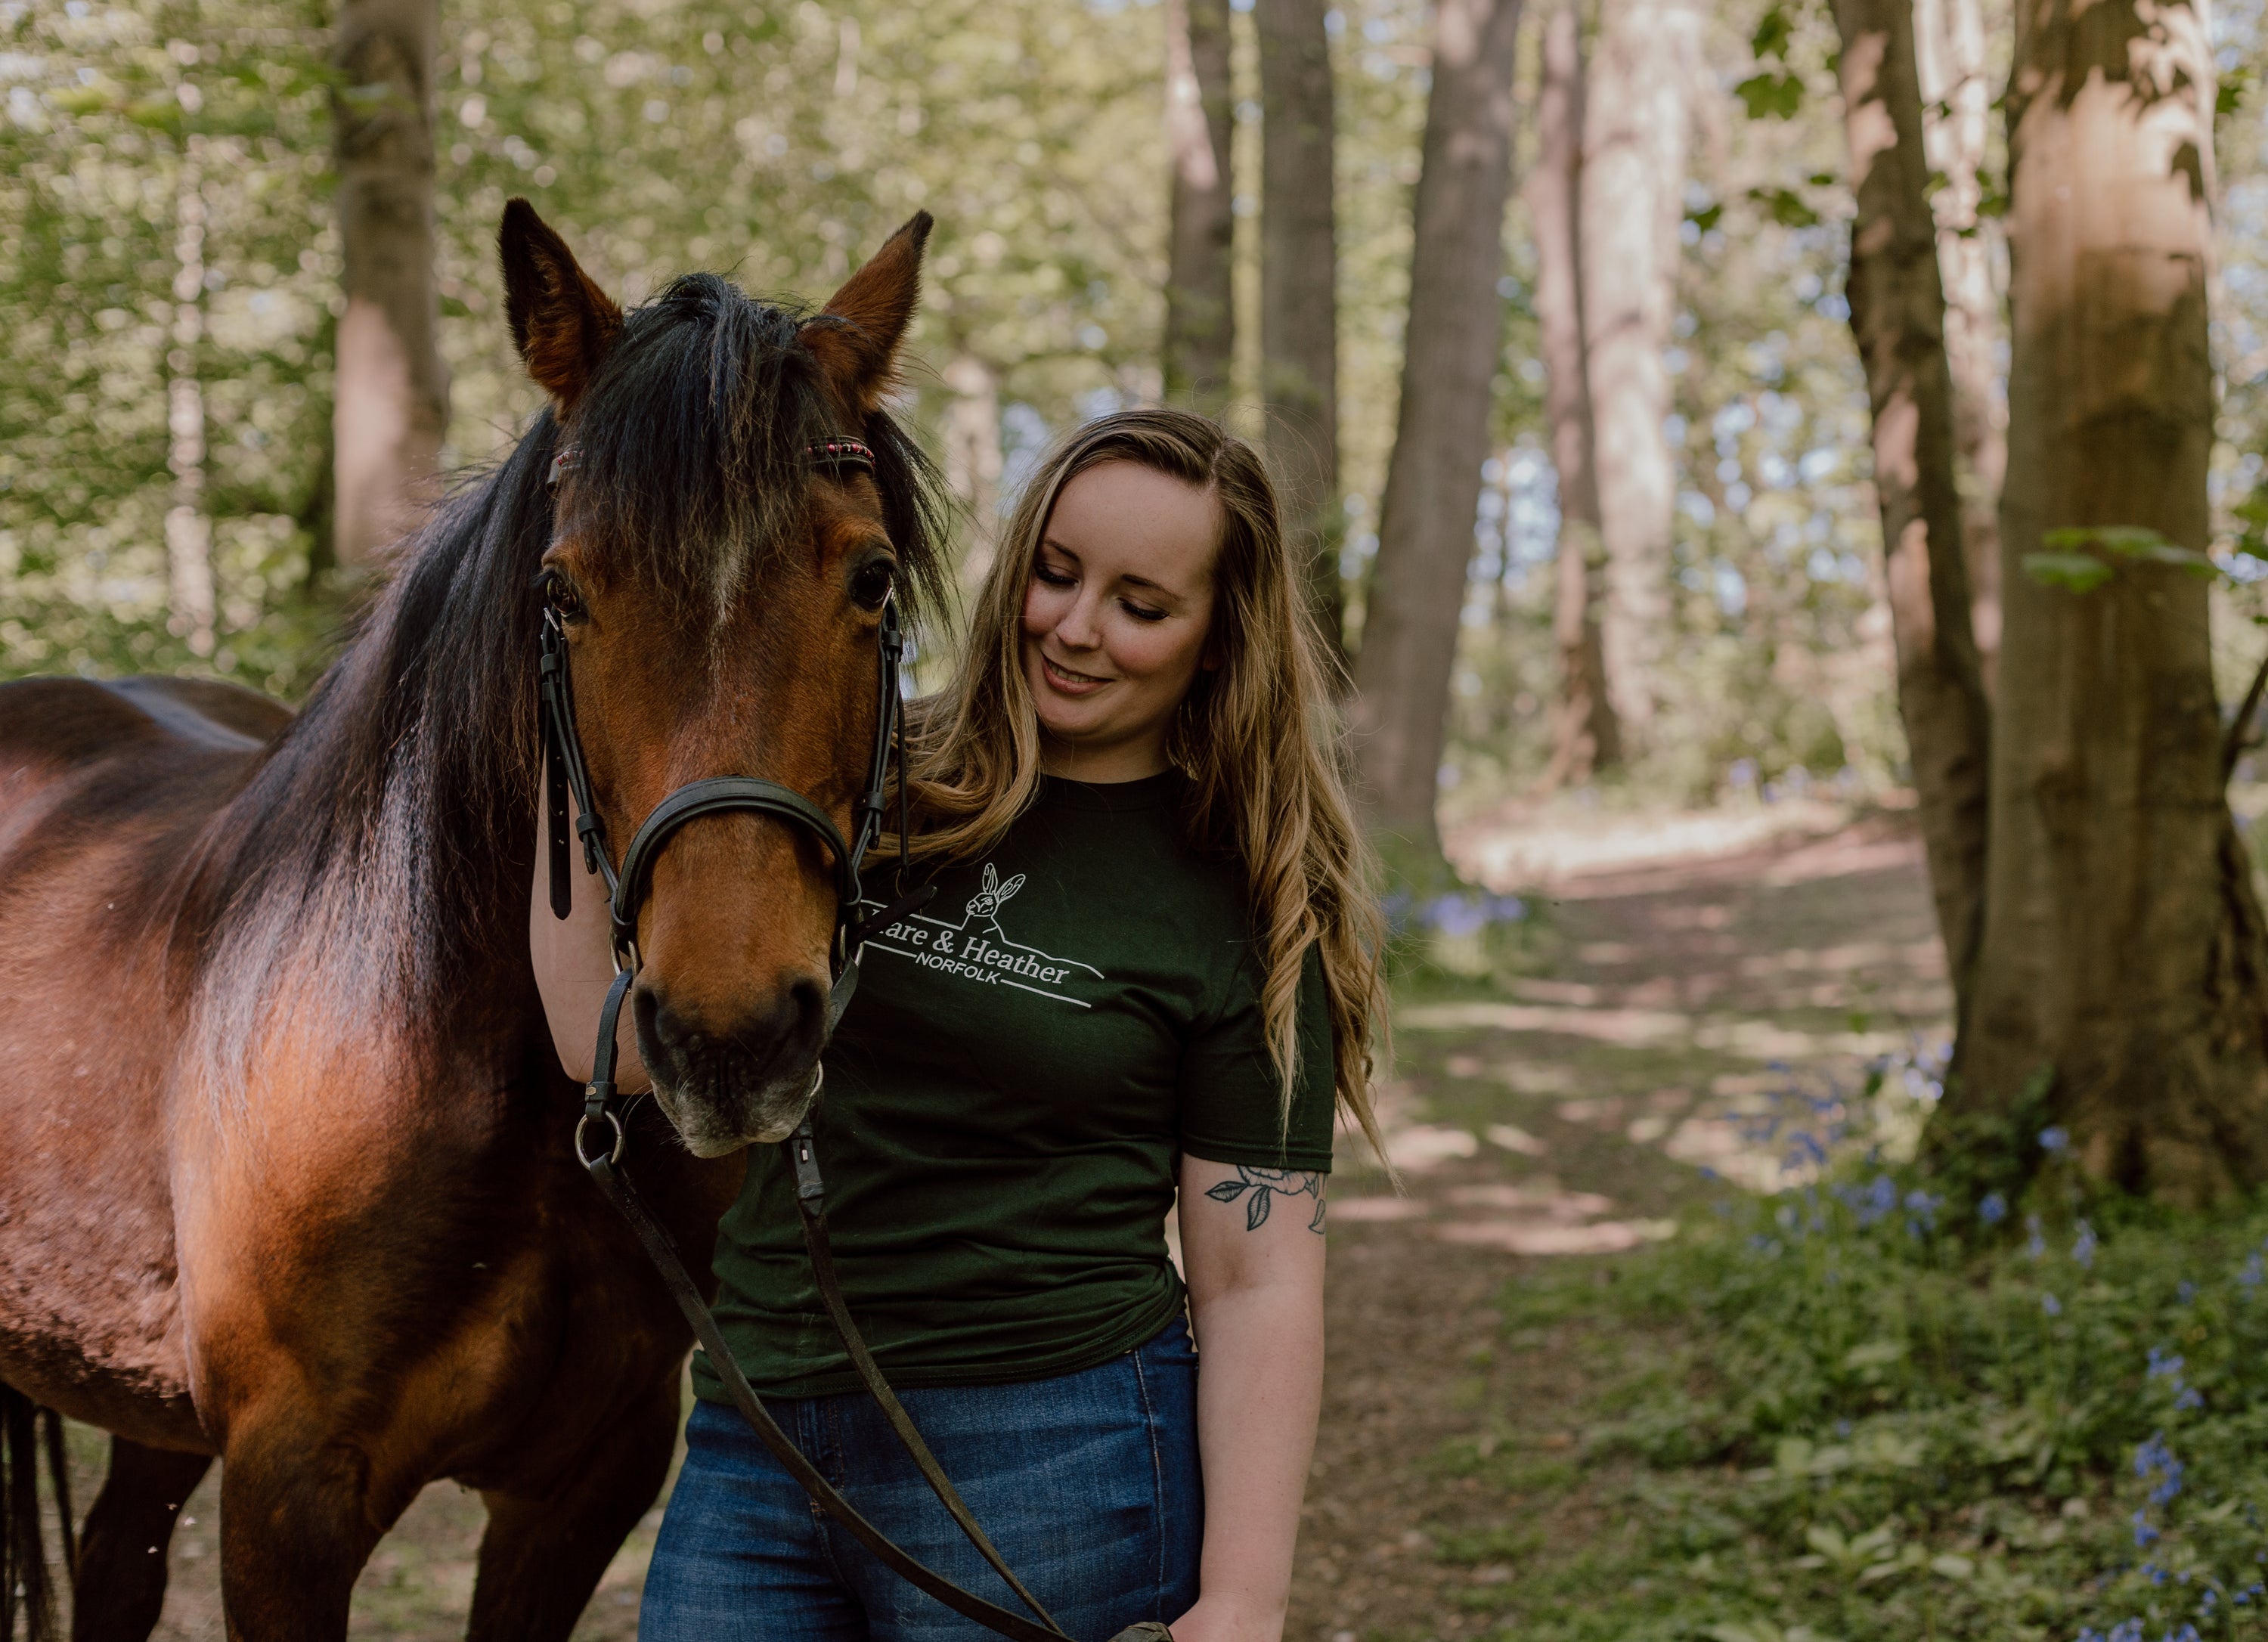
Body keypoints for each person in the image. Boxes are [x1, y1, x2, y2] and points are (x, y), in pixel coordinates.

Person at [541, 407, 1387, 1641]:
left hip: (1053, 1457)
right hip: (758, 1440)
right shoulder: (863, 783)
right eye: (1056, 572)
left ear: (1218, 639)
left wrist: (1246, 1595)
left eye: (1141, 605)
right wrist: (578, 735)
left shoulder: (1240, 897)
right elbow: (608, 1048)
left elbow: (1258, 1275)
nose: (1075, 627)